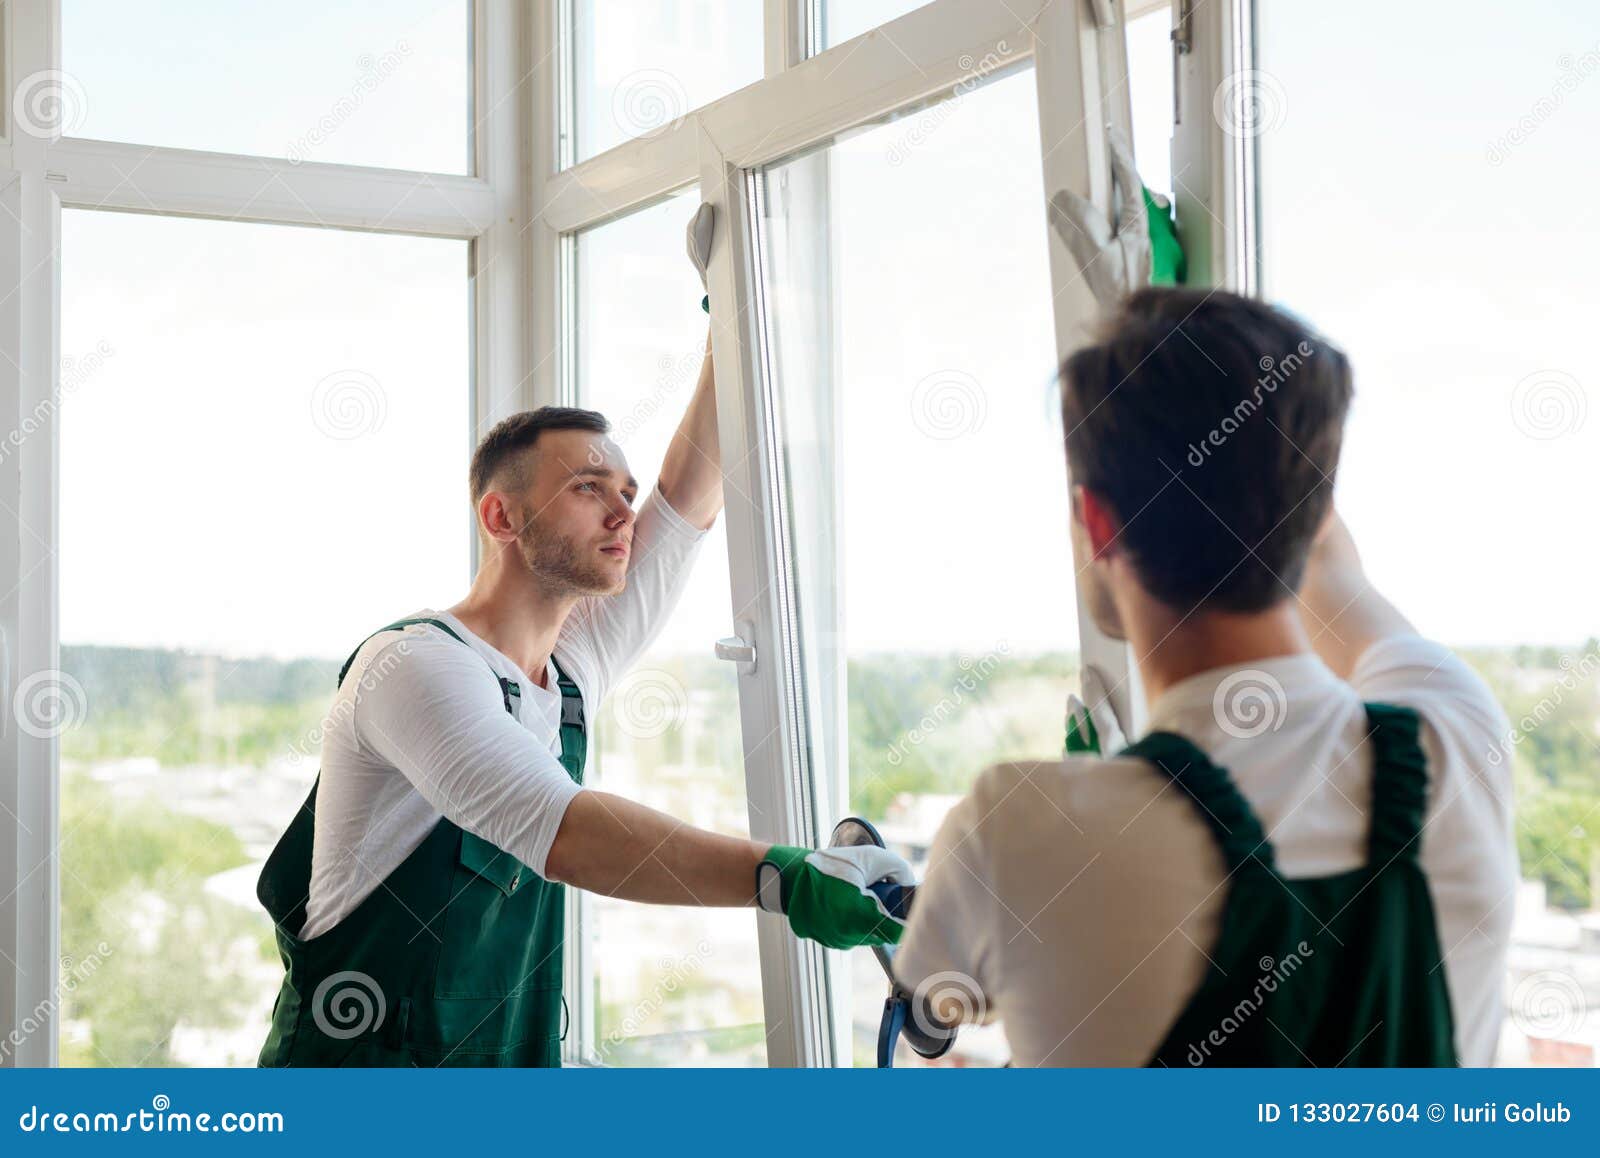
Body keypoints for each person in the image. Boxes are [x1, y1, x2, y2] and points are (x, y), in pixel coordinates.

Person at [257, 205, 911, 1067]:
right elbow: (562, 829)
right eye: (588, 488)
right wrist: (779, 876)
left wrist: (730, 314)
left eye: (623, 491)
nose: (621, 510)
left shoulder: (570, 670)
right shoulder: (412, 668)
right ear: (501, 515)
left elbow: (687, 495)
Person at [892, 285, 1517, 1066]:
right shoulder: (1456, 734)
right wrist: (1277, 474)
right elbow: (1341, 582)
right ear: (1319, 511)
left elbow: (929, 1005)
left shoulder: (1015, 830)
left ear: (1095, 521)